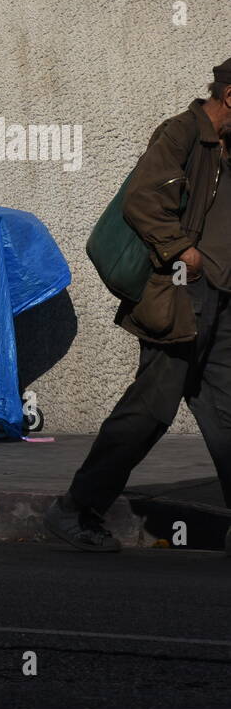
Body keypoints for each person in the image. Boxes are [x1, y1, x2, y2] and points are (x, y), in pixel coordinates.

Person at [45, 58, 231, 552]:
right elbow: (143, 201)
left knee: (226, 414)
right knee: (149, 411)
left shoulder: (226, 146)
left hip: (221, 303)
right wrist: (180, 252)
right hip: (182, 297)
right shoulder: (182, 133)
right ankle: (76, 509)